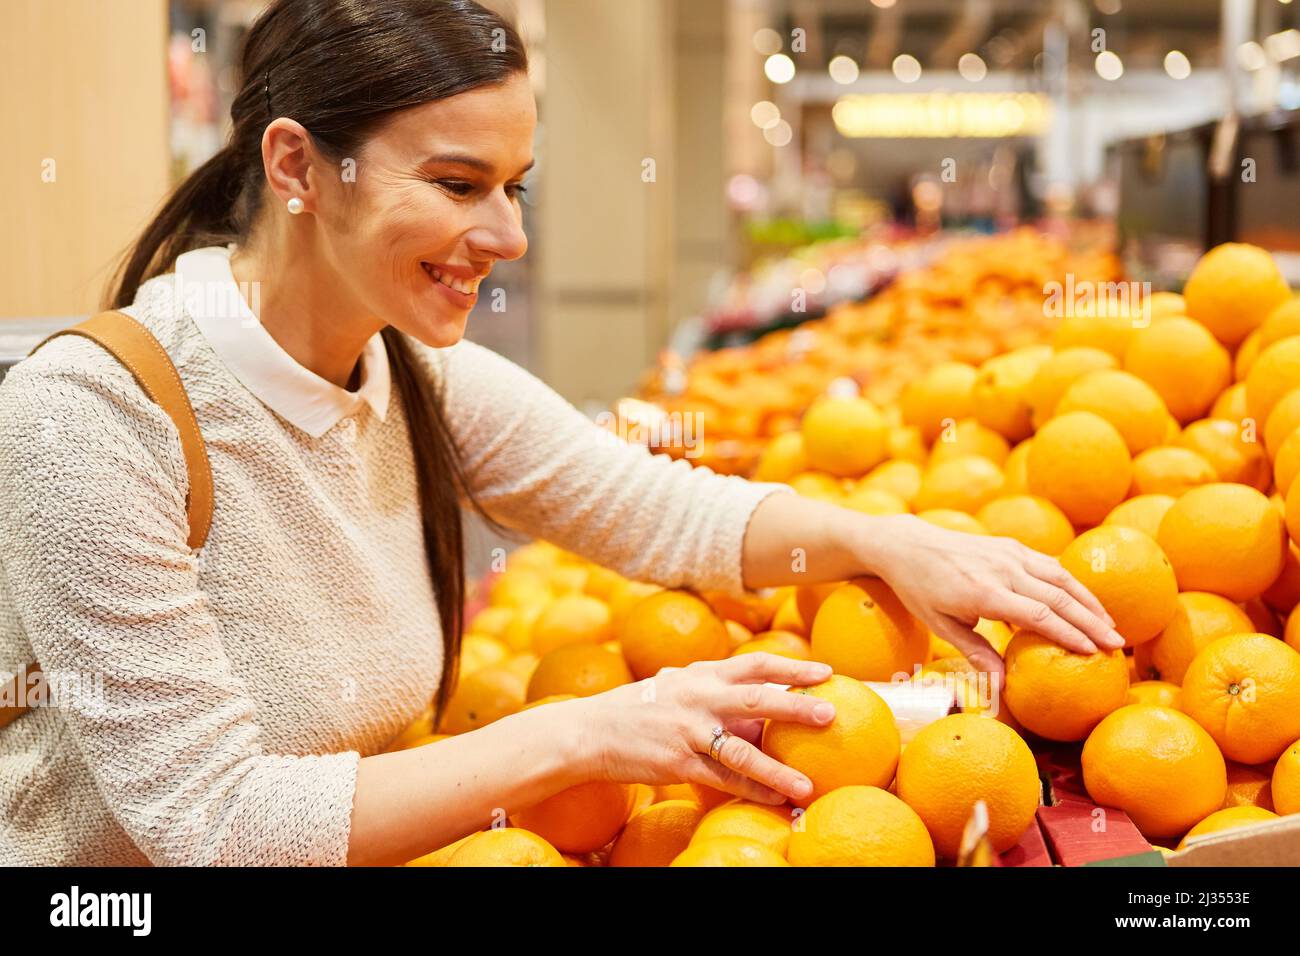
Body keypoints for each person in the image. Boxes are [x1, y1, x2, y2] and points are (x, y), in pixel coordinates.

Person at [0, 0, 1121, 867]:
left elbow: (658, 508)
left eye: (517, 187)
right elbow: (216, 821)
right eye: (458, 183)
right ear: (297, 166)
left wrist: (886, 542)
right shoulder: (94, 422)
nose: (508, 234)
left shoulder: (410, 373)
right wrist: (592, 733)